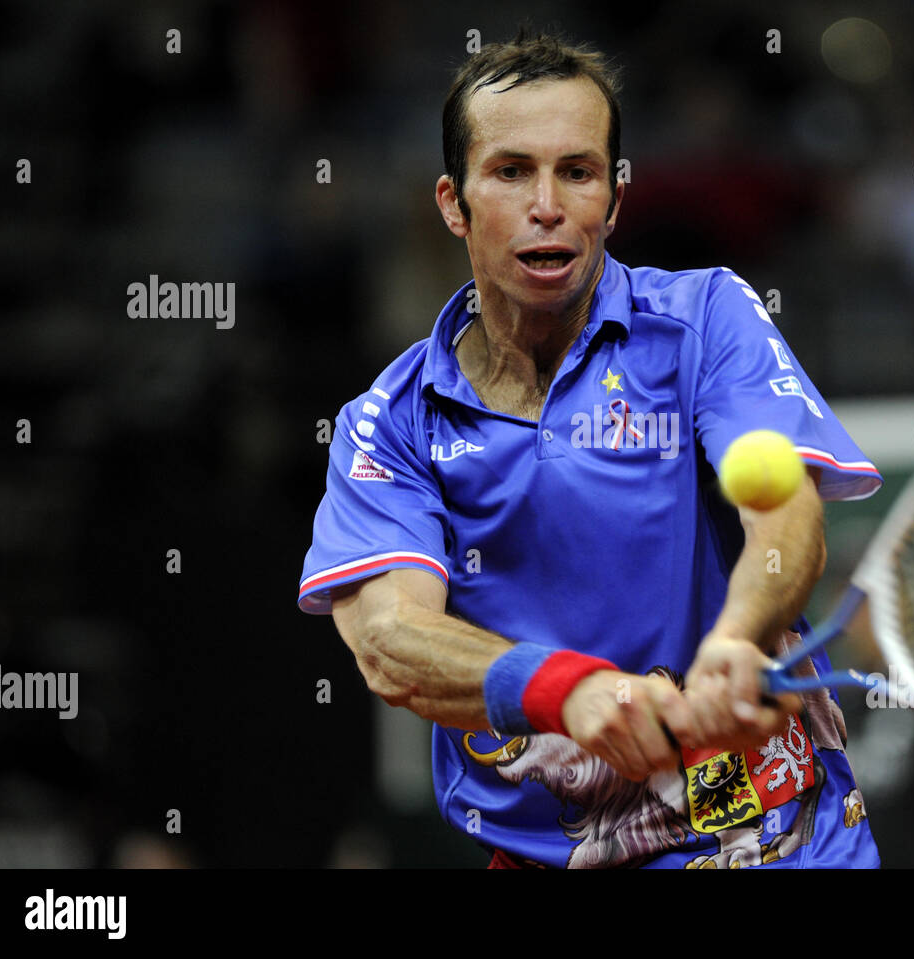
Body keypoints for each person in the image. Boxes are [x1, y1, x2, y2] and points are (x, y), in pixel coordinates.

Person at [297, 31, 883, 868]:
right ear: (452, 203)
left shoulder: (706, 318)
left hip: (768, 836)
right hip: (553, 852)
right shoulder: (387, 423)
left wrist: (739, 633)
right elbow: (392, 643)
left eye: (578, 171)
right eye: (510, 172)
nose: (548, 204)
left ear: (614, 199)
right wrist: (568, 691)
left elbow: (785, 514)